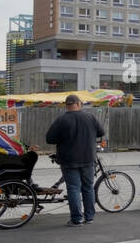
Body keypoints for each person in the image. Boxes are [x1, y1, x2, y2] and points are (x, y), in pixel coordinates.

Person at [45, 94, 106, 226]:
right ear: (78, 104)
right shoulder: (90, 117)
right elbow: (101, 132)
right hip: (88, 159)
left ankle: (77, 219)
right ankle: (89, 217)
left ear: (66, 105)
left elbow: (49, 139)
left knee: (73, 189)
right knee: (88, 188)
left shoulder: (61, 120)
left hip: (69, 160)